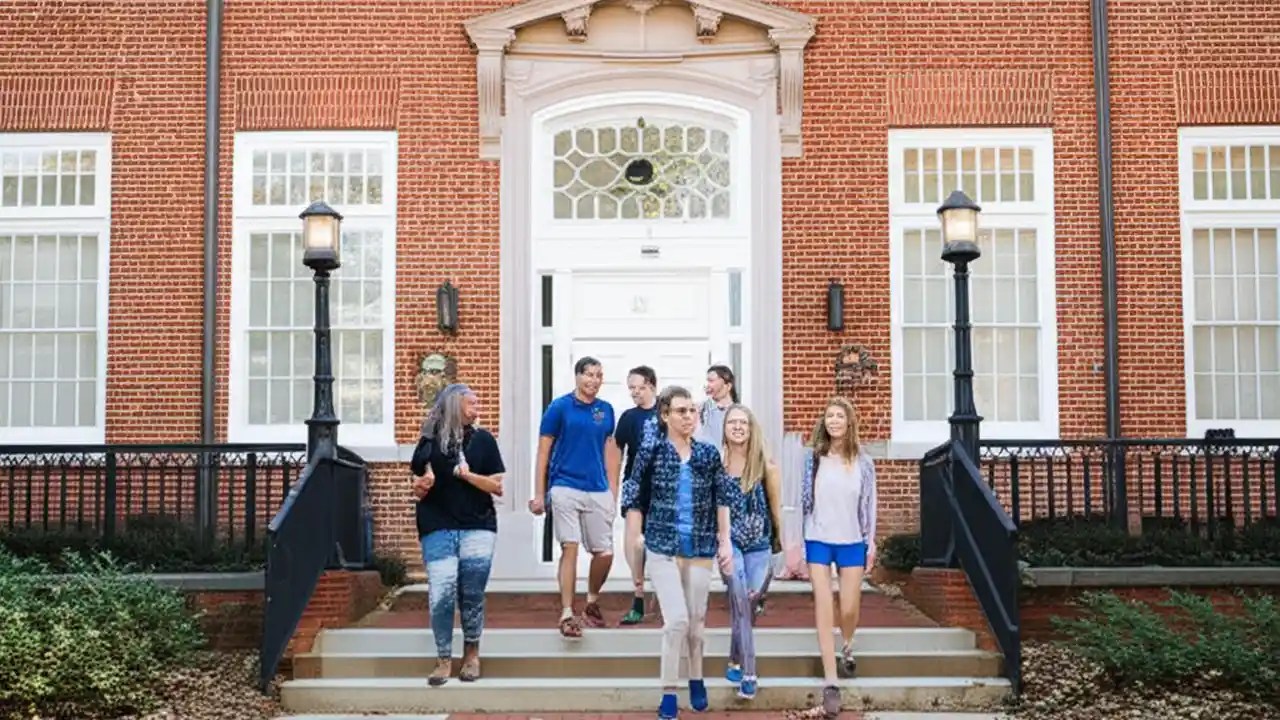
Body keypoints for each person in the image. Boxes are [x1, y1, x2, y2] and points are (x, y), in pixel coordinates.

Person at [623, 385, 733, 720]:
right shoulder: (651, 451)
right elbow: (634, 499)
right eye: (681, 411)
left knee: (697, 625)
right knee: (677, 621)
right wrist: (633, 551)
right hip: (662, 546)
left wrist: (725, 539)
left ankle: (696, 677)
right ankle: (669, 691)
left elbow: (722, 498)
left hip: (699, 547)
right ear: (665, 414)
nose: (688, 417)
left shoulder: (708, 454)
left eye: (692, 411)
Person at [409, 383, 506, 686]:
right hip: (437, 524)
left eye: (478, 402)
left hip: (478, 525)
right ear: (453, 405)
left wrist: (466, 475)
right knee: (441, 593)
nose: (477, 407)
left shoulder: (484, 441)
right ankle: (442, 659)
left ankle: (472, 655)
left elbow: (497, 486)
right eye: (471, 403)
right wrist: (420, 485)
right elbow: (421, 478)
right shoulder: (429, 441)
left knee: (472, 594)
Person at [530, 356, 620, 638]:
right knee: (570, 546)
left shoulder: (605, 411)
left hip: (597, 488)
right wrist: (539, 493)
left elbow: (610, 451)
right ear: (577, 376)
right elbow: (543, 452)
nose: (593, 380)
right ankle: (567, 612)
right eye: (589, 375)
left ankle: (591, 601)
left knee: (604, 553)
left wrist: (612, 492)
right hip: (564, 486)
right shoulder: (559, 408)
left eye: (598, 375)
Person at [800, 396, 878, 718]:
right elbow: (803, 499)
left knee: (848, 606)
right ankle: (831, 680)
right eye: (829, 416)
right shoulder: (813, 459)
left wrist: (870, 543)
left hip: (851, 540)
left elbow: (870, 506)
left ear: (849, 422)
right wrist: (794, 541)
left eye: (839, 416)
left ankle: (847, 642)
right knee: (822, 601)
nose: (833, 421)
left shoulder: (863, 462)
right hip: (817, 537)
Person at [717, 404, 783, 700]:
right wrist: (720, 543)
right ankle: (749, 672)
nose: (738, 427)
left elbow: (775, 506)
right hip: (731, 546)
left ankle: (733, 656)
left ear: (751, 427)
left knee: (749, 602)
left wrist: (780, 544)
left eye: (743, 422)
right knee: (741, 599)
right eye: (733, 422)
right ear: (725, 428)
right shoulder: (716, 463)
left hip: (759, 545)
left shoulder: (764, 464)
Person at [614, 365, 659, 625]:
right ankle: (638, 596)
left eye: (640, 387)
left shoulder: (665, 413)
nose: (635, 393)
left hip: (662, 485)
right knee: (633, 541)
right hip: (634, 483)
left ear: (652, 385)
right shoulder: (629, 418)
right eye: (631, 388)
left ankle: (665, 595)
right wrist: (614, 488)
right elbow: (618, 453)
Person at [695, 364, 738, 445]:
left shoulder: (739, 413)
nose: (707, 385)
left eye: (711, 381)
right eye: (707, 381)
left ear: (728, 386)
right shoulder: (700, 409)